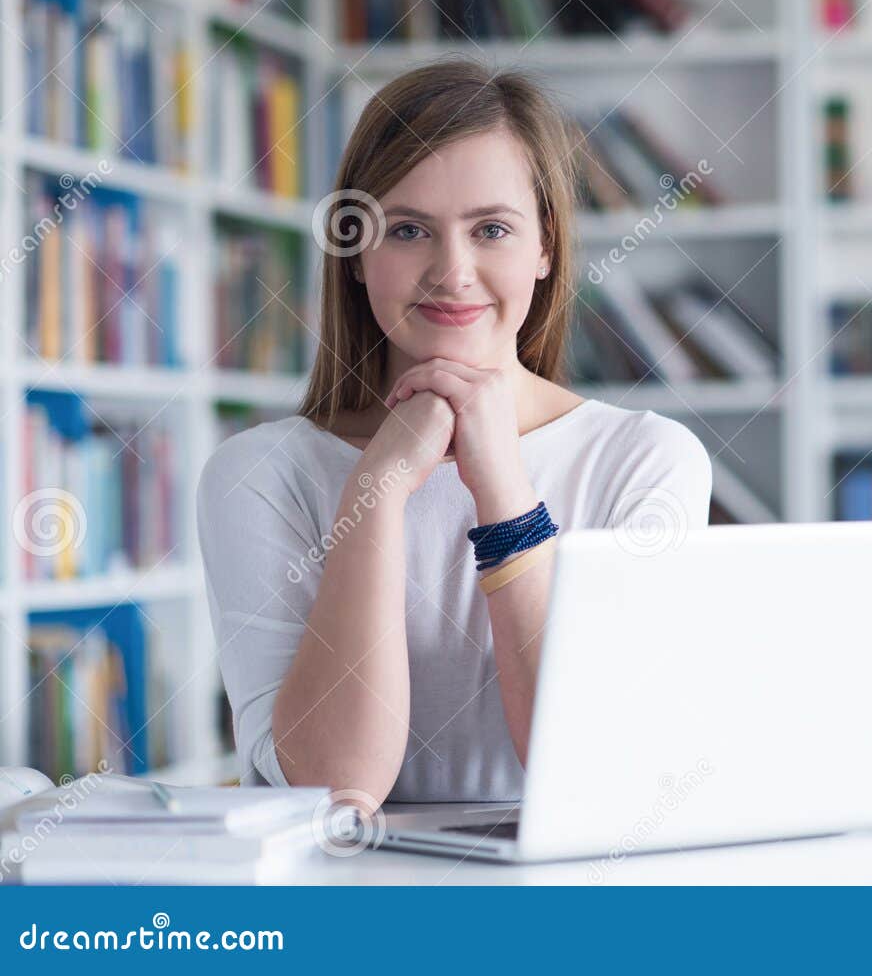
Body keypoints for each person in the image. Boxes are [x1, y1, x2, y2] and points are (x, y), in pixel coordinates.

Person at [197, 59, 712, 806]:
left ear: (545, 248)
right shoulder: (256, 476)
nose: (453, 271)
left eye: (492, 229)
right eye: (408, 230)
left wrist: (502, 488)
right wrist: (376, 490)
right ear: (357, 254)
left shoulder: (645, 461)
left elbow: (592, 769)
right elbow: (338, 788)